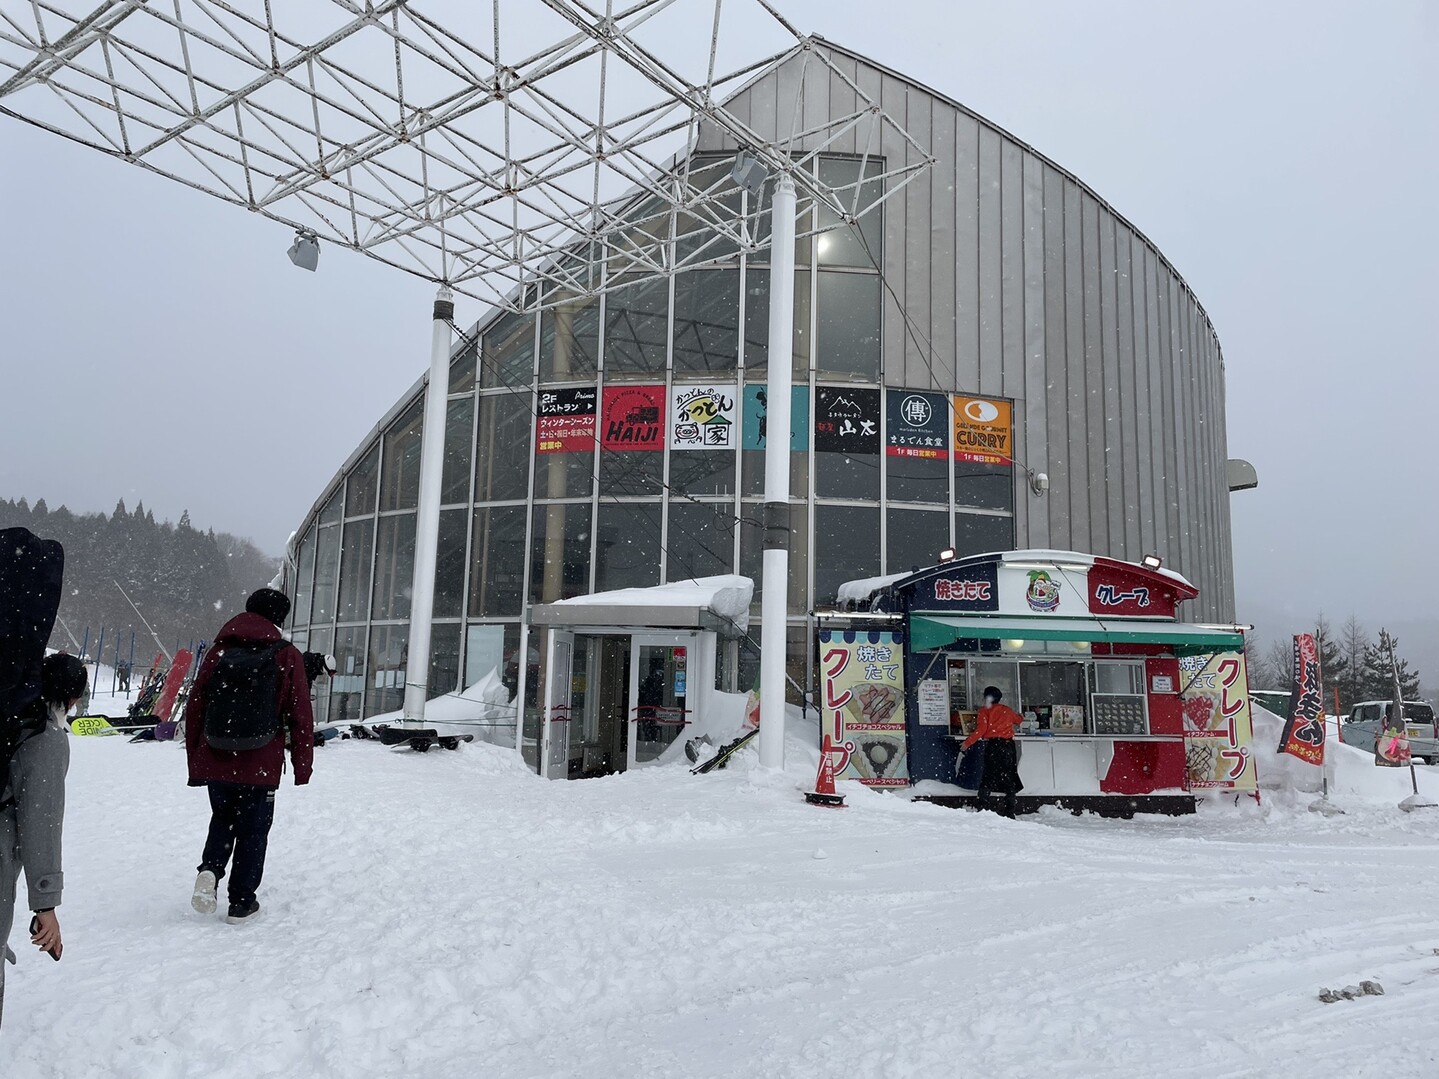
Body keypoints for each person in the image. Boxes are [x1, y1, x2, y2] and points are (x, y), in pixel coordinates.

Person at [185, 588, 313, 924]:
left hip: (217, 754)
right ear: (279, 619)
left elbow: (196, 706)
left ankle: (211, 869)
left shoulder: (218, 652)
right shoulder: (286, 655)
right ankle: (241, 903)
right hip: (261, 761)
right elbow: (301, 715)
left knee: (223, 817)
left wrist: (196, 761)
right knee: (254, 830)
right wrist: (302, 766)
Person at [1, 652, 86, 1028]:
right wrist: (46, 903)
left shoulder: (9, 719)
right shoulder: (44, 738)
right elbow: (41, 824)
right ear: (71, 699)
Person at [964, 685, 1025, 818]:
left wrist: (966, 743)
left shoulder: (984, 711)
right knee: (1009, 777)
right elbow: (1018, 720)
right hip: (1008, 746)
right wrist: (1021, 716)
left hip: (993, 746)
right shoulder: (1007, 710)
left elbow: (980, 731)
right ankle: (1010, 810)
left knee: (988, 776)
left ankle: (982, 806)